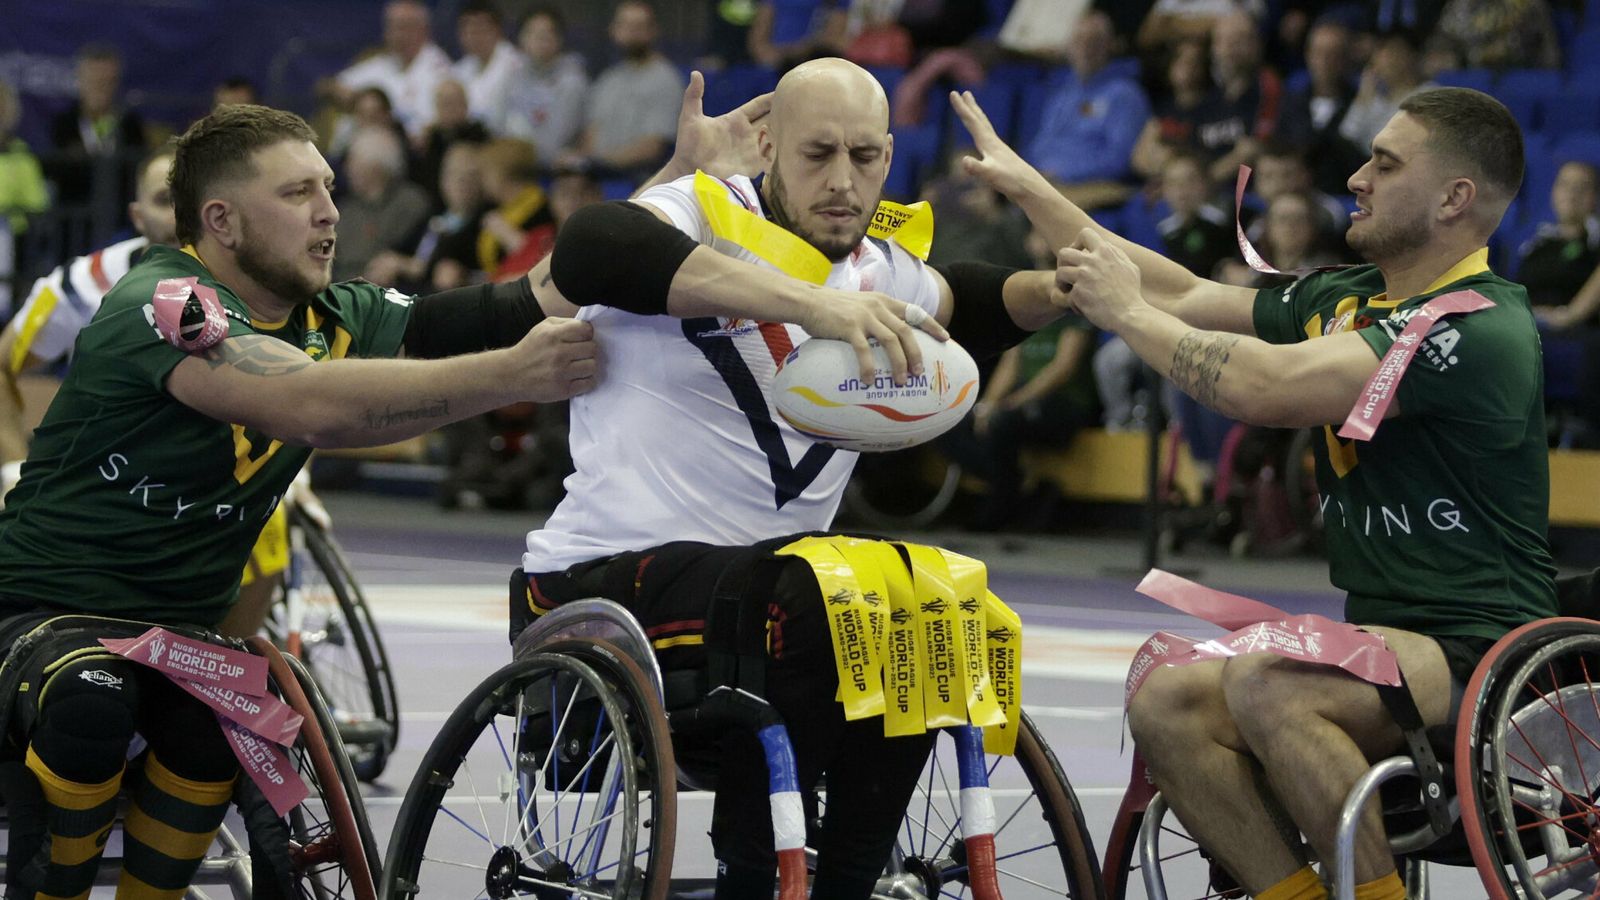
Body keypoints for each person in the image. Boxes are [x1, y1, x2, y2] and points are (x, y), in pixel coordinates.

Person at [953, 83, 1555, 900]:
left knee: (1270, 678)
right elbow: (1178, 292)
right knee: (1167, 701)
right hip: (1380, 642)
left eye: (1385, 164)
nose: (1357, 178)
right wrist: (1032, 188)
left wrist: (1127, 318)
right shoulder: (1348, 298)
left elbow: (1263, 387)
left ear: (1454, 198)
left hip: (1479, 651)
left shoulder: (1476, 327)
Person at [0, 102, 597, 900]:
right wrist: (513, 375)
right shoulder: (166, 299)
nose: (329, 212)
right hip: (36, 614)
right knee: (89, 699)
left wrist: (676, 196)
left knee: (224, 719)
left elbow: (528, 299)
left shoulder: (332, 318)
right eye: (296, 193)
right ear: (222, 220)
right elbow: (309, 405)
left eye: (329, 187)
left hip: (178, 635)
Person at [523, 59, 1071, 900]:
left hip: (766, 599)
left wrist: (1059, 289)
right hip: (600, 583)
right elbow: (595, 244)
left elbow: (965, 301)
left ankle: (843, 883)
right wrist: (812, 307)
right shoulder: (702, 209)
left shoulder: (871, 264)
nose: (843, 180)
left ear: (889, 157)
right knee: (812, 597)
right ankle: (753, 881)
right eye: (818, 154)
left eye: (864, 156)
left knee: (929, 599)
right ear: (769, 146)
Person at [567, 1, 685, 177]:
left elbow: (653, 147)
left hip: (640, 178)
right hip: (596, 175)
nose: (632, 33)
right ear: (613, 30)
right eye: (625, 26)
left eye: (639, 27)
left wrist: (597, 163)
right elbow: (591, 133)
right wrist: (581, 162)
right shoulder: (608, 79)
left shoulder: (666, 80)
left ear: (653, 31)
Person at [331, 0, 452, 138]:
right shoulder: (381, 63)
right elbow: (330, 85)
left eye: (404, 27)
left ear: (424, 29)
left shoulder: (439, 69)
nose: (397, 35)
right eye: (392, 27)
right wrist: (349, 97)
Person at [500, 5, 589, 162]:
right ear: (521, 39)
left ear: (559, 39)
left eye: (547, 33)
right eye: (533, 33)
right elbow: (500, 126)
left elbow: (555, 143)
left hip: (553, 167)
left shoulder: (572, 82)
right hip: (516, 161)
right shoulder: (513, 77)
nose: (541, 39)